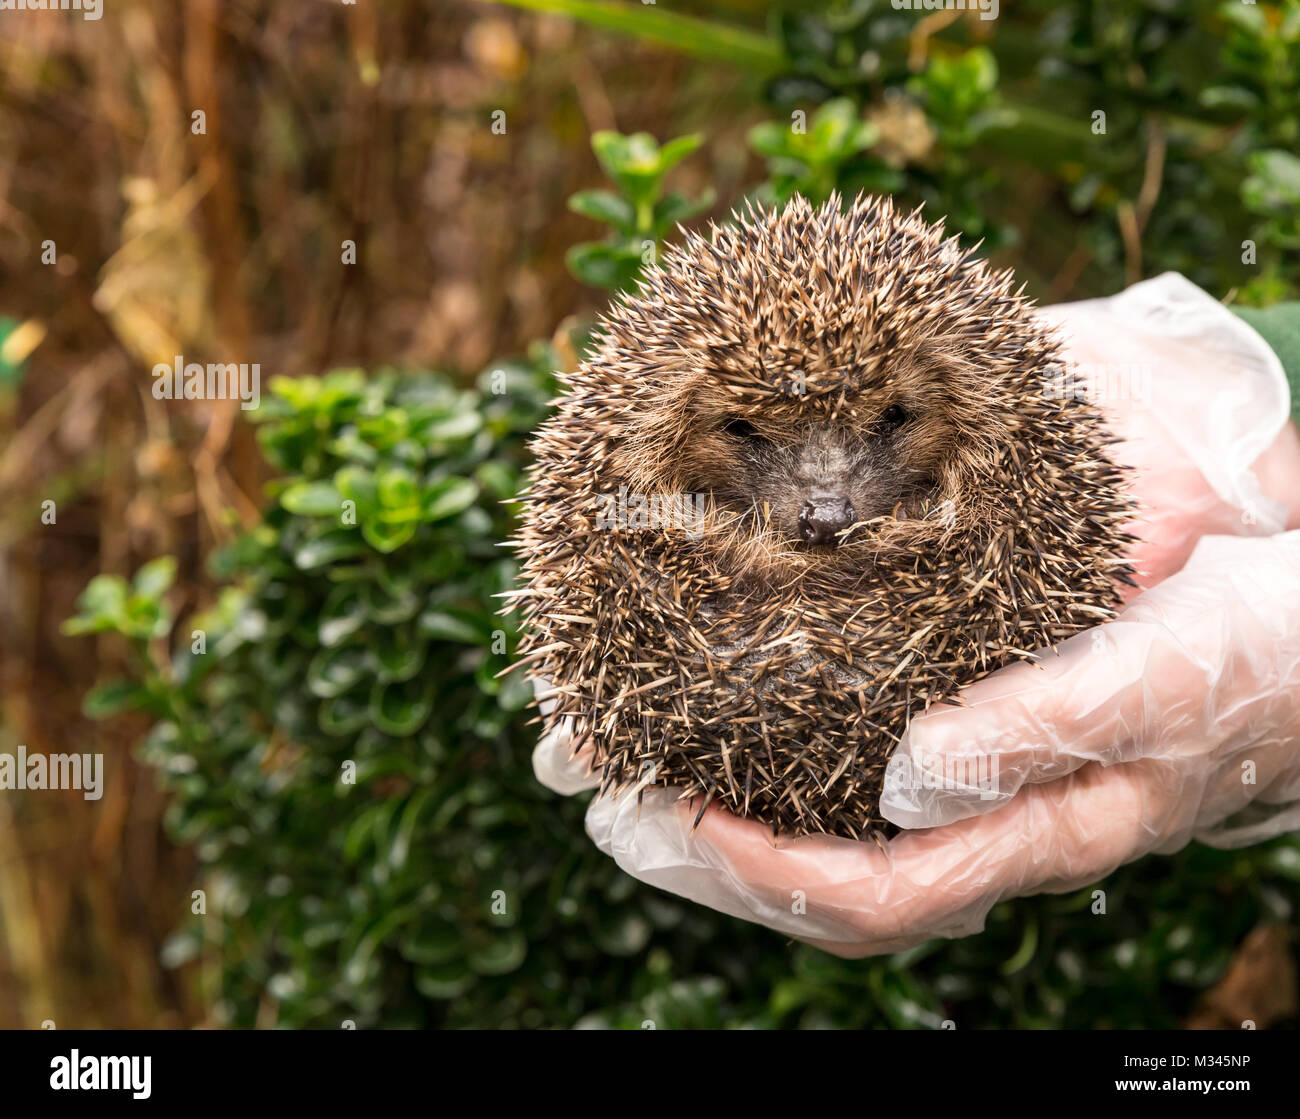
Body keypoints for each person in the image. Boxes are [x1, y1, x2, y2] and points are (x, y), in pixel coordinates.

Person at [532, 273, 1300, 957]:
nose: (824, 505)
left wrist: (1259, 409)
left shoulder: (1006, 445)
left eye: (887, 423)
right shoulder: (636, 481)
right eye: (749, 434)